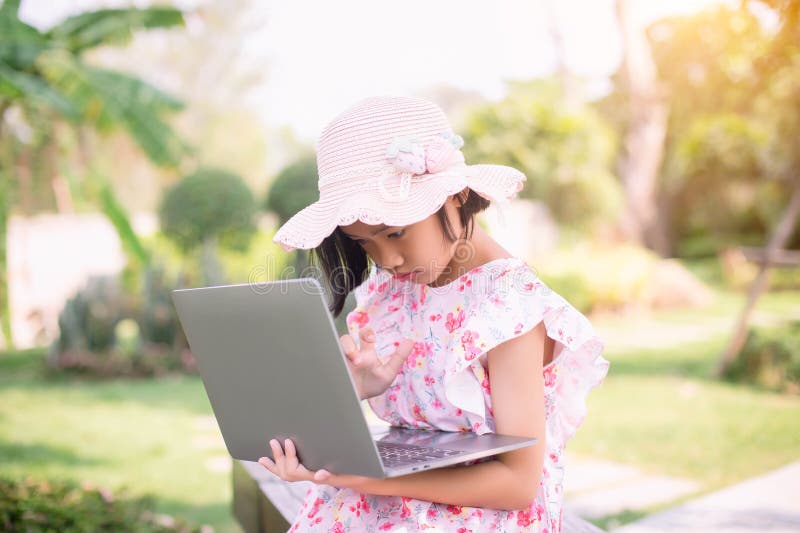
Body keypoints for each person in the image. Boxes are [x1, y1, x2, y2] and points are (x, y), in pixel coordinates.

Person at [261, 95, 610, 532]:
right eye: (364, 242)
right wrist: (356, 391)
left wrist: (373, 480)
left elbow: (519, 485)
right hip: (384, 502)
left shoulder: (507, 307)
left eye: (395, 232)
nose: (387, 259)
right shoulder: (396, 290)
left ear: (456, 195)